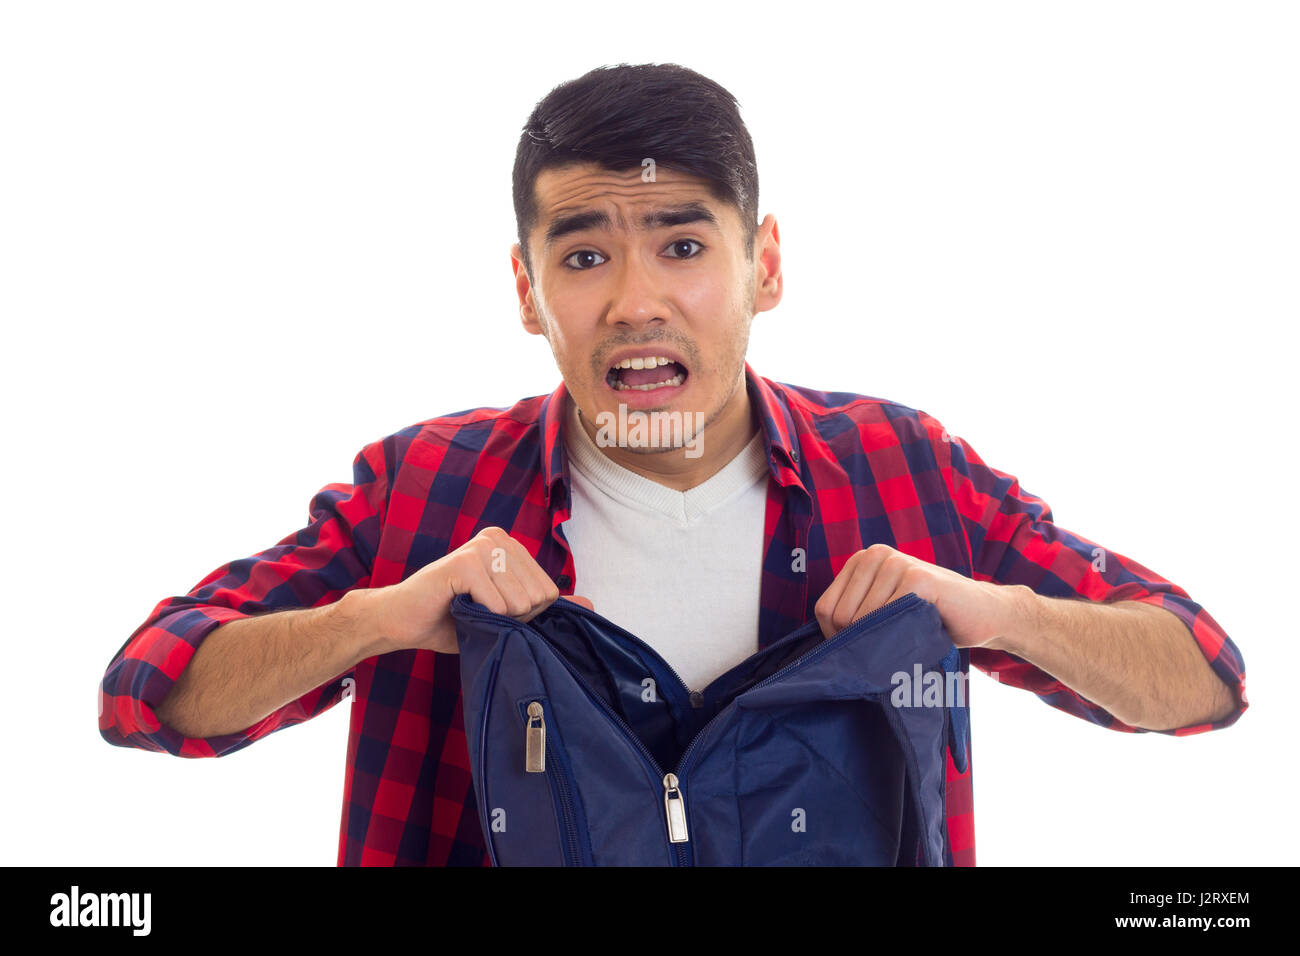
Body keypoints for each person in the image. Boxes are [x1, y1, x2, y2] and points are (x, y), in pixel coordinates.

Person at [98, 62, 1247, 867]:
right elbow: (149, 687)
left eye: (684, 245)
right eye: (585, 252)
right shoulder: (424, 487)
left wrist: (989, 611)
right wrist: (381, 617)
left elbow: (1201, 674)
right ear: (525, 290)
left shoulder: (905, 469)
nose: (637, 301)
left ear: (766, 265)